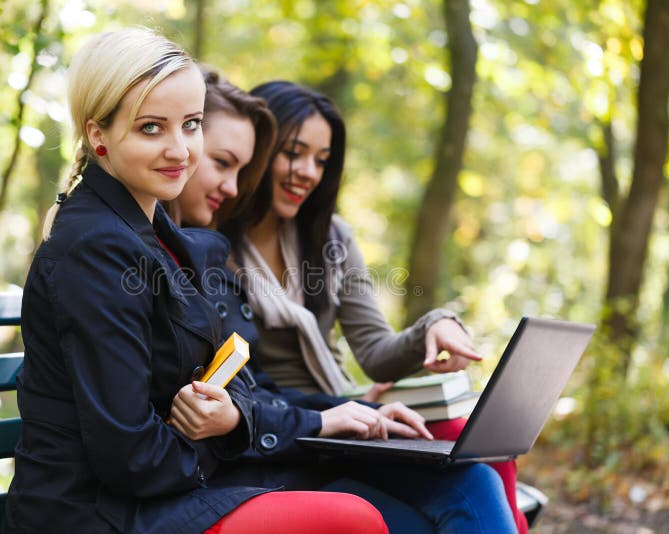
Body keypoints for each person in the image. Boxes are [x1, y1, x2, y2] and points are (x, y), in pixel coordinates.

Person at [1, 28, 391, 534]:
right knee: (351, 519)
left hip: (155, 496)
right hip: (93, 514)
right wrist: (225, 437)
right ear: (99, 136)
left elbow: (233, 384)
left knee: (374, 490)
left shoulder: (158, 236)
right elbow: (130, 456)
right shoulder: (97, 250)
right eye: (151, 128)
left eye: (190, 125)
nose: (180, 149)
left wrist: (232, 422)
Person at [166, 69, 517, 533]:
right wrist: (334, 415)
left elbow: (374, 350)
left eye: (322, 159)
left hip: (328, 409)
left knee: (478, 456)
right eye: (293, 153)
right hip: (296, 425)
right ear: (259, 151)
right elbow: (244, 387)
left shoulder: (328, 239)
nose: (308, 171)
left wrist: (433, 326)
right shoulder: (208, 239)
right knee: (447, 478)